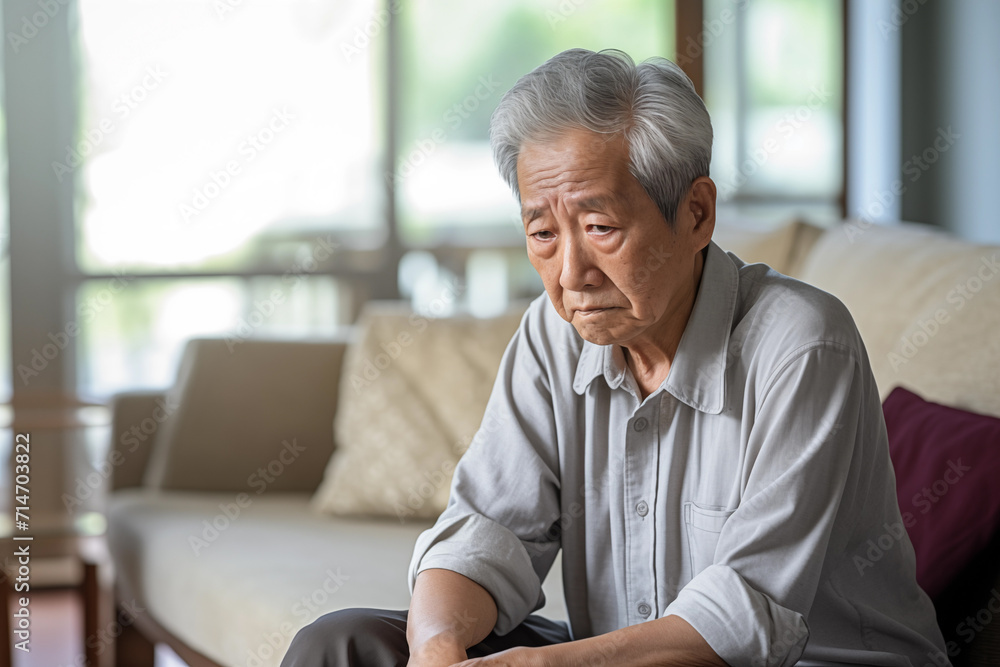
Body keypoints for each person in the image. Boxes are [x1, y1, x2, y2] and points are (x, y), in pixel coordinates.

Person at [281, 48, 949, 667]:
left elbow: (746, 613)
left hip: (798, 661)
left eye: (600, 227)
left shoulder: (803, 344)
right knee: (345, 644)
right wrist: (436, 647)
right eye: (542, 232)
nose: (571, 272)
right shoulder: (554, 333)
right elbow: (487, 532)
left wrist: (542, 662)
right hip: (617, 653)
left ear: (696, 213)